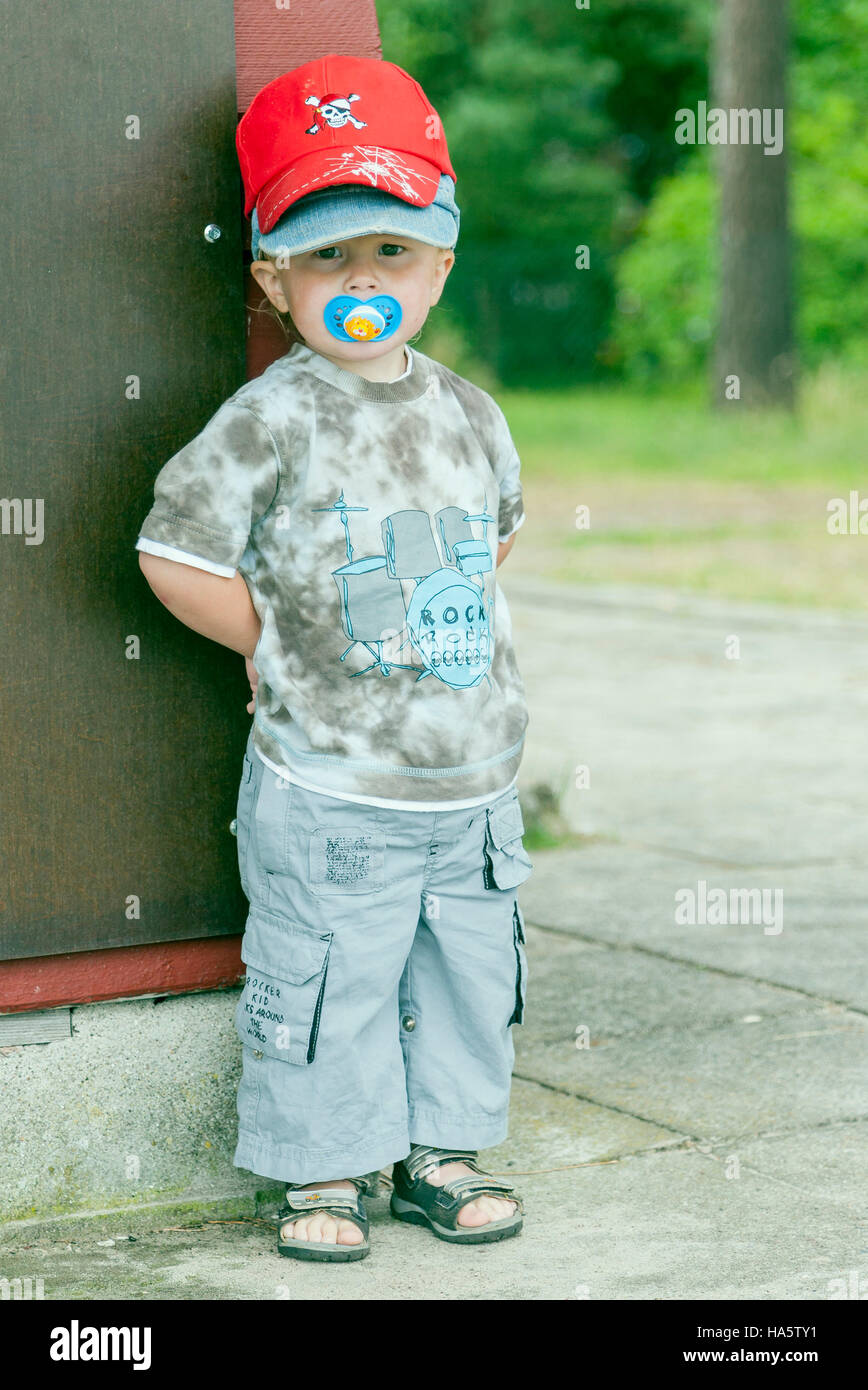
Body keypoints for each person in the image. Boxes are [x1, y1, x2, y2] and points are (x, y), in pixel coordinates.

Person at [136, 54, 532, 1263]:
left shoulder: (469, 411)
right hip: (329, 786)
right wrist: (278, 642)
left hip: (469, 783)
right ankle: (321, 1171)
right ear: (275, 277)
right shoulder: (272, 417)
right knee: (328, 973)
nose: (364, 279)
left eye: (392, 253)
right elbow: (177, 552)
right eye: (328, 255)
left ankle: (441, 1152)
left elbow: (492, 539)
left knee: (465, 970)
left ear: (440, 263)